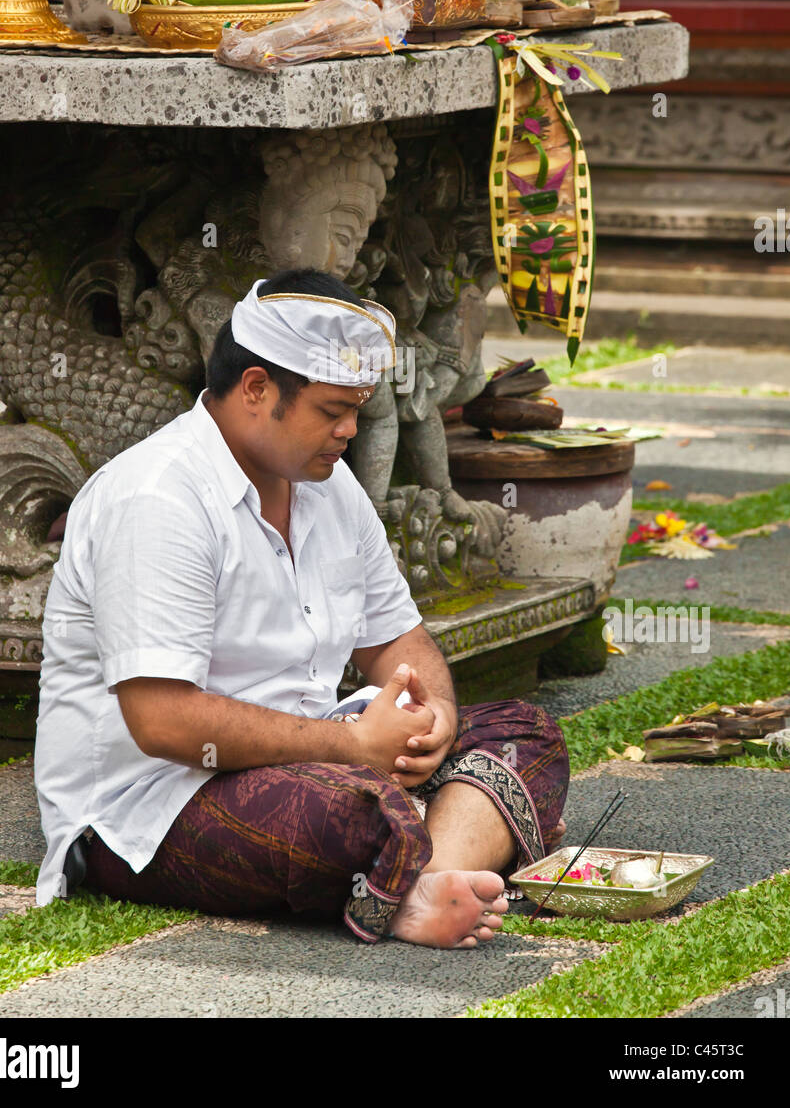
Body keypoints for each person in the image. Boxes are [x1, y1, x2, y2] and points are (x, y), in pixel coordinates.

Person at [34, 268, 568, 948]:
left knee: (525, 732)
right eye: (331, 410)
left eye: (357, 408)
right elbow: (163, 721)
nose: (350, 429)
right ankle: (426, 856)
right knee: (349, 815)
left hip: (324, 752)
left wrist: (434, 720)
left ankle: (418, 880)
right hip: (153, 803)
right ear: (257, 388)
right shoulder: (157, 498)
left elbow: (398, 638)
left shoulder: (328, 486)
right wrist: (353, 747)